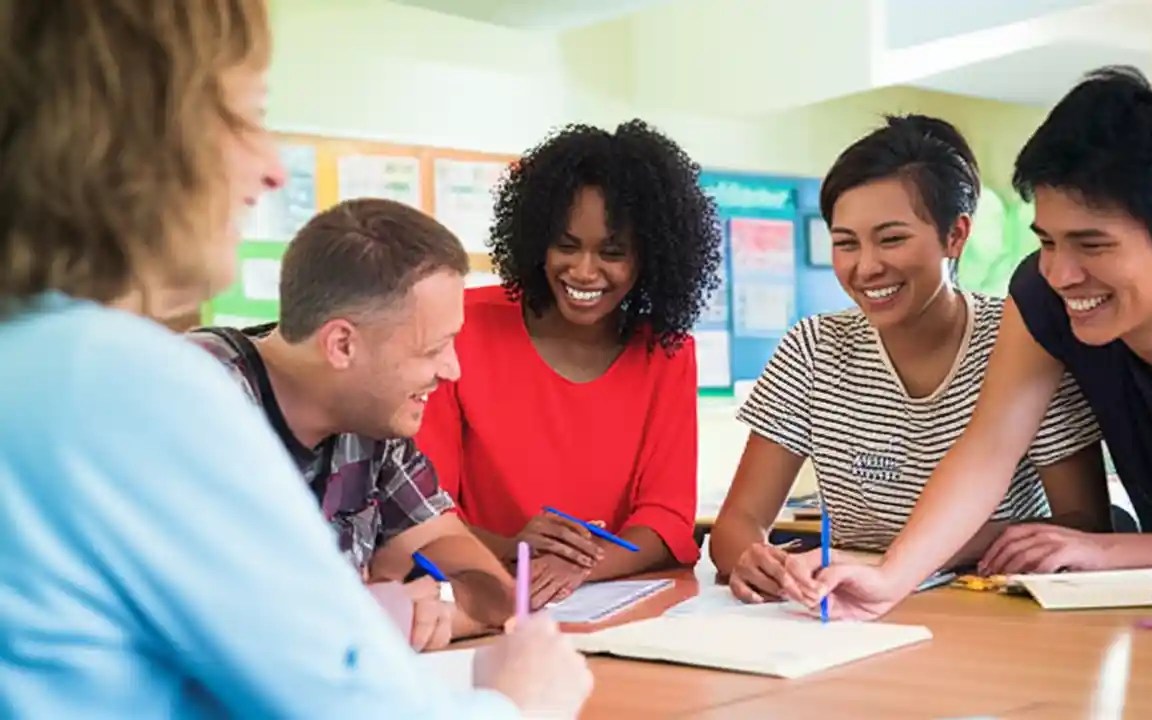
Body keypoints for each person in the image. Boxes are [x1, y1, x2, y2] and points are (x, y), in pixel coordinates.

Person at [0, 2, 591, 717]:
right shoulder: (129, 384)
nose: (274, 170)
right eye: (246, 116)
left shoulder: (38, 362)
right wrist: (522, 699)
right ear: (130, 139)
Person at [784, 66, 1152, 621]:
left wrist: (1115, 548)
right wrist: (889, 577)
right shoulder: (1044, 298)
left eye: (1092, 245)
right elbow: (989, 447)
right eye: (1047, 241)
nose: (1063, 273)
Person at [708, 115, 1109, 604]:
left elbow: (1085, 523)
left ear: (955, 235)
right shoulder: (812, 348)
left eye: (891, 238)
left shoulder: (1021, 340)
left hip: (987, 608)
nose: (866, 266)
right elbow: (736, 525)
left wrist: (895, 561)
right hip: (850, 608)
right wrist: (755, 559)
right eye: (845, 243)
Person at [415, 120, 723, 608]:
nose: (583, 271)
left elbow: (666, 519)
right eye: (566, 245)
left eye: (612, 252)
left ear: (651, 258)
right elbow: (422, 511)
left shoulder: (666, 351)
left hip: (617, 610)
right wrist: (515, 550)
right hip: (480, 603)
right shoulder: (462, 327)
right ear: (538, 241)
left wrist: (580, 564)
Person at [188, 198, 514, 651]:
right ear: (342, 345)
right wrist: (371, 619)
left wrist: (427, 605)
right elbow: (221, 625)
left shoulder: (374, 419)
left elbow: (493, 594)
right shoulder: (196, 399)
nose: (452, 370)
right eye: (431, 349)